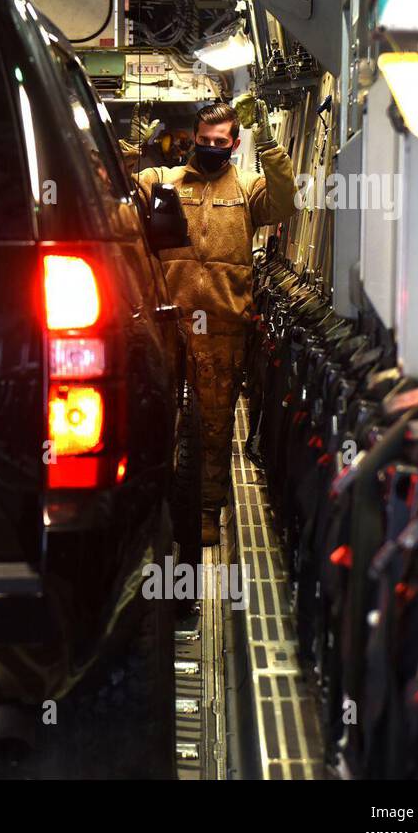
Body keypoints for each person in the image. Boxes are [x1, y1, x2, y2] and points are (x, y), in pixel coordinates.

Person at [121, 98, 297, 545]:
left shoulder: (248, 188)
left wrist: (272, 144)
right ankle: (154, 509)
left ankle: (204, 513)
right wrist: (128, 147)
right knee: (158, 418)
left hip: (220, 327)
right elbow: (114, 190)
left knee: (214, 426)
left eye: (221, 142)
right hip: (167, 325)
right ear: (194, 140)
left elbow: (286, 201)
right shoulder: (163, 180)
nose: (212, 147)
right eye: (205, 140)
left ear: (235, 144)